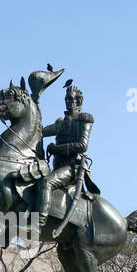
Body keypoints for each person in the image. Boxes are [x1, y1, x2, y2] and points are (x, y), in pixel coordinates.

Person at [35, 79, 98, 235]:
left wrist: (56, 148)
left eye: (71, 99)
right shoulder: (61, 122)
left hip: (72, 168)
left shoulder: (84, 119)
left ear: (78, 100)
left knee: (46, 183)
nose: (68, 102)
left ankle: (39, 222)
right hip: (57, 167)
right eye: (66, 100)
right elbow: (39, 131)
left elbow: (82, 145)